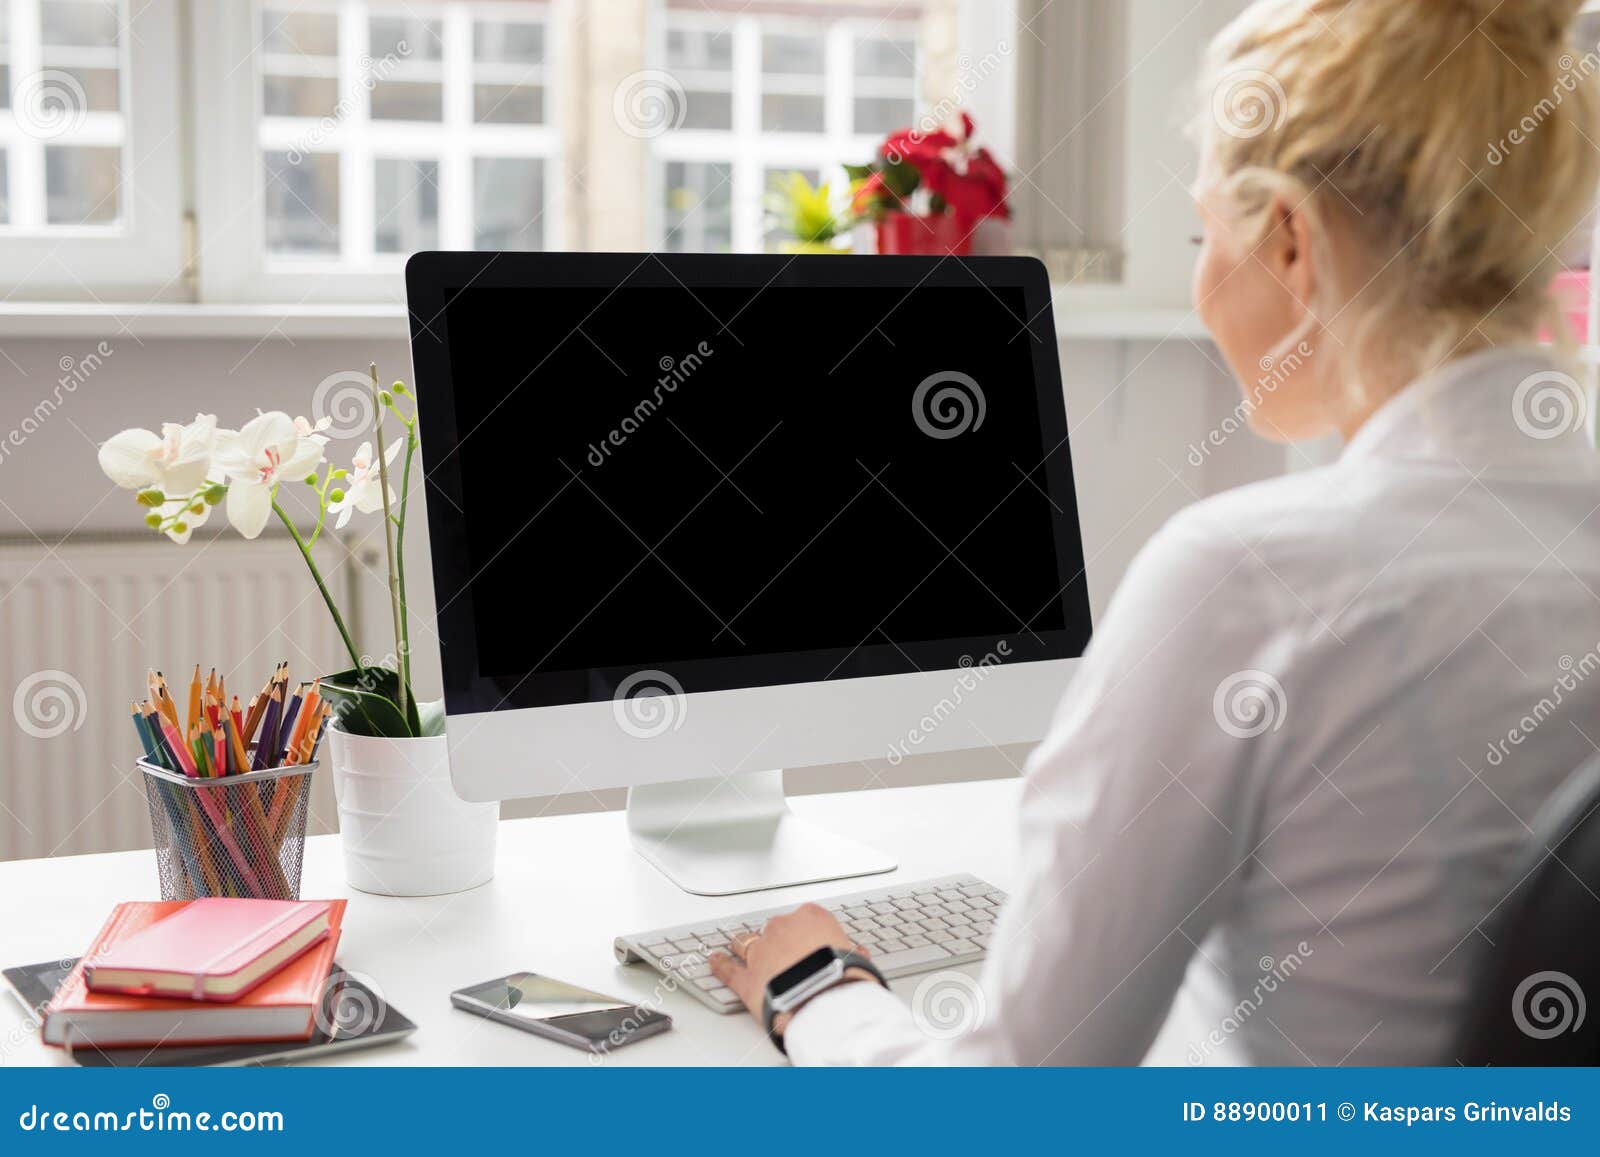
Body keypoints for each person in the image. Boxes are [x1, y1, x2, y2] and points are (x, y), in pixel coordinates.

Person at [708, 0, 1600, 1065]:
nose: (1198, 281)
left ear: (1286, 237)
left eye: (1200, 234)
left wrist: (821, 992)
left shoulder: (1252, 578)